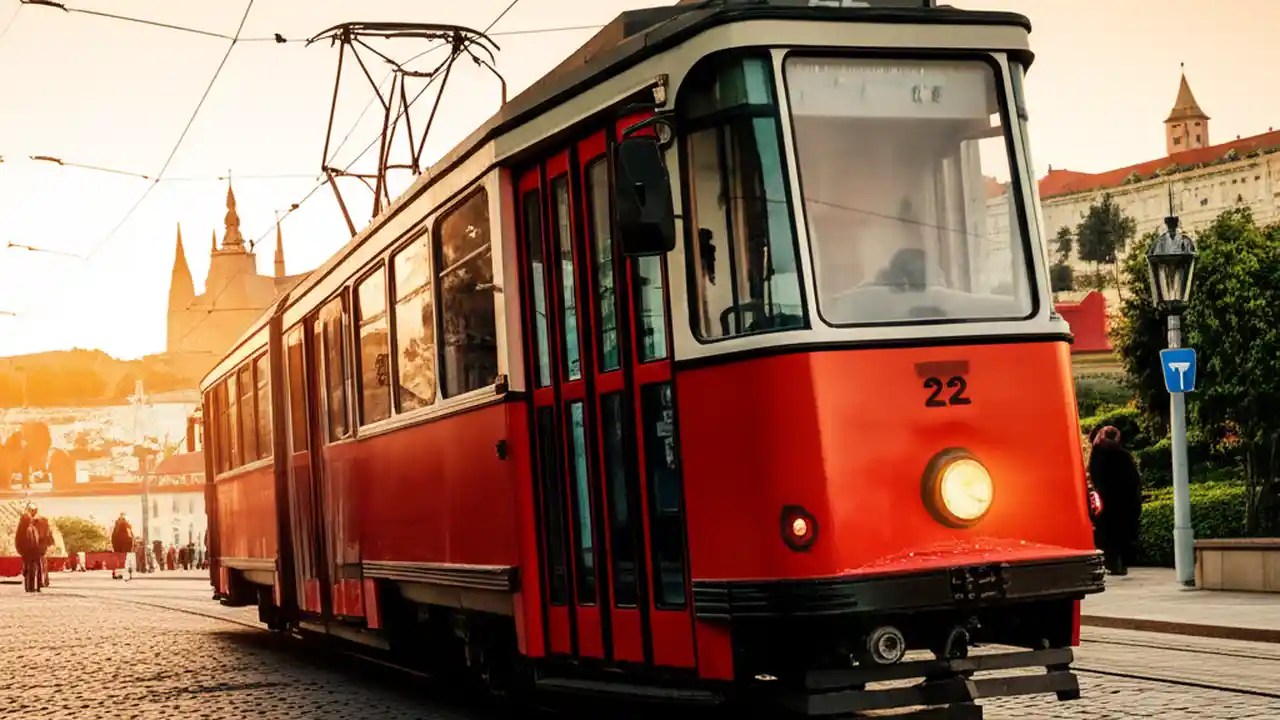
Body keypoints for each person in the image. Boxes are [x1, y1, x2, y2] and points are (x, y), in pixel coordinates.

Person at [1087, 425, 1143, 576]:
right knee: (1121, 534)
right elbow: (1134, 480)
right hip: (1124, 502)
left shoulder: (1097, 455)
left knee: (1108, 535)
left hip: (1108, 502)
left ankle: (1113, 563)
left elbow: (1095, 478)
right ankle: (1120, 563)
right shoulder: (1123, 455)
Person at [14, 504, 41, 593]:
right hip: (28, 550)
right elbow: (21, 539)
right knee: (29, 569)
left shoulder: (32, 527)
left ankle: (31, 587)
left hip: (32, 550)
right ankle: (30, 587)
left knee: (32, 569)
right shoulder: (25, 526)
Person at [110, 513, 134, 580]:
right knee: (124, 560)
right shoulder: (126, 527)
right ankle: (124, 573)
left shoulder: (117, 527)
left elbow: (113, 537)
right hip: (124, 547)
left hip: (120, 547)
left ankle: (119, 573)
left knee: (120, 560)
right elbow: (131, 537)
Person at [33, 512, 53, 588]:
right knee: (43, 563)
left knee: (39, 564)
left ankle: (41, 581)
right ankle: (45, 580)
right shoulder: (46, 525)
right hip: (43, 546)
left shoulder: (35, 525)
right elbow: (49, 536)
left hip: (38, 546)